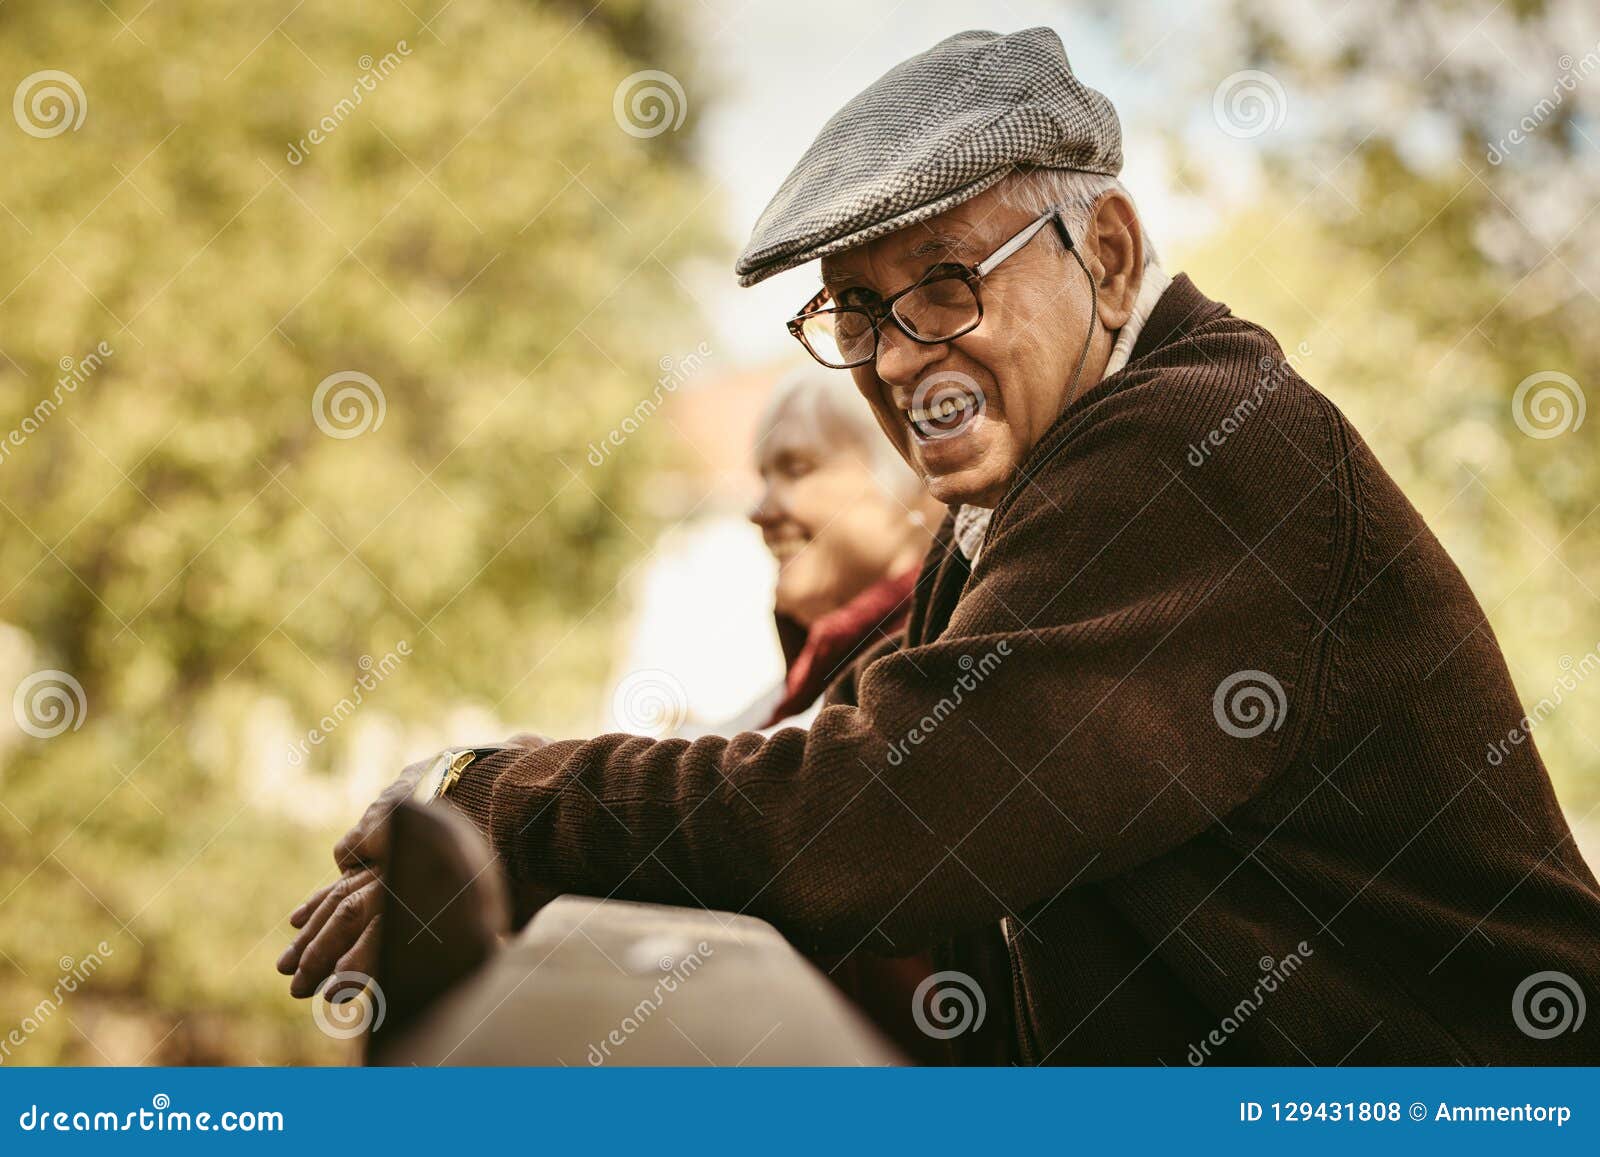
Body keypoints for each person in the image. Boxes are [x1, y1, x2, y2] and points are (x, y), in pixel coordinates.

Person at [282, 27, 1600, 1064]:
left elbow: (888, 810)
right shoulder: (1024, 497)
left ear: (1112, 252)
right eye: (856, 311)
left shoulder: (1197, 448)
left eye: (950, 282)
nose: (903, 355)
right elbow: (842, 766)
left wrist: (502, 798)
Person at [713, 367, 945, 735]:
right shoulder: (809, 679)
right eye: (764, 478)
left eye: (796, 469)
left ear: (919, 486)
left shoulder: (936, 667)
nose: (759, 512)